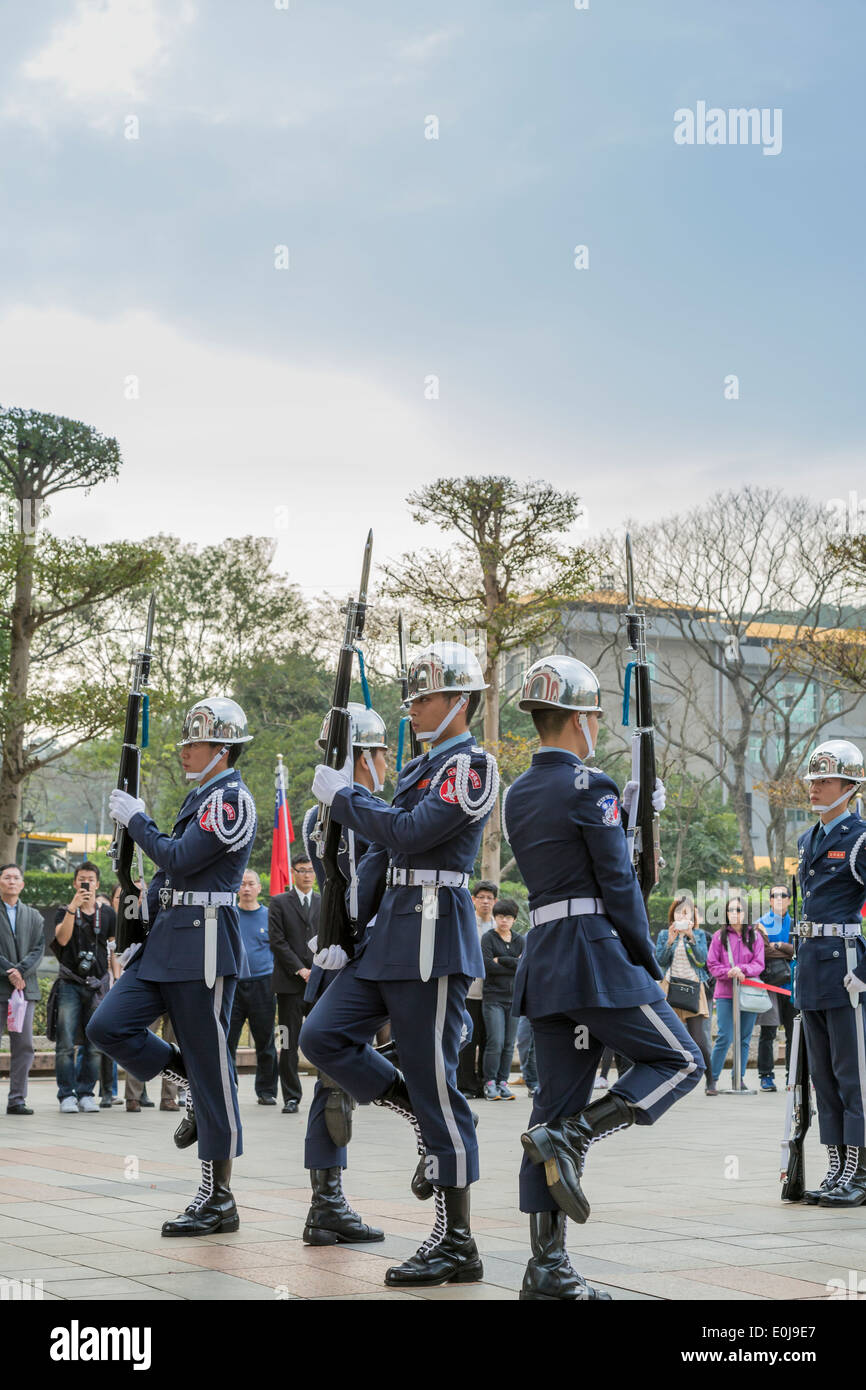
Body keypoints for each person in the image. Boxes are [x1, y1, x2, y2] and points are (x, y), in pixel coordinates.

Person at [503, 654, 703, 1301]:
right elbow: (618, 883)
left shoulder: (520, 791)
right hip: (595, 954)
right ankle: (579, 1133)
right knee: (681, 1059)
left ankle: (547, 1267)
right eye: (593, 717)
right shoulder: (592, 786)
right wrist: (645, 955)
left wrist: (633, 815)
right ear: (583, 719)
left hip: (546, 959)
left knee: (547, 1110)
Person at [301, 640, 499, 1287]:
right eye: (412, 699)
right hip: (388, 937)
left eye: (427, 698)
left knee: (440, 1087)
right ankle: (410, 1106)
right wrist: (341, 929)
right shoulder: (422, 767)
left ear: (460, 703)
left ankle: (455, 1239)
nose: (414, 708)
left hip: (433, 937)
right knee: (323, 1036)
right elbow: (379, 854)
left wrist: (346, 801)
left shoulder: (472, 766)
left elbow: (409, 834)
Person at [88, 696, 258, 1236]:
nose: (185, 750)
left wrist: (139, 821)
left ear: (223, 749)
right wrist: (141, 927)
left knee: (213, 1070)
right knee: (108, 1026)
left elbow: (181, 858)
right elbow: (166, 878)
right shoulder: (201, 796)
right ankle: (189, 1078)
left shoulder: (231, 799)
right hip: (168, 941)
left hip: (205, 944)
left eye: (195, 742)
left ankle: (218, 1196)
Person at [297, 702, 388, 1245]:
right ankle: (327, 1205)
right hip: (365, 955)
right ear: (362, 756)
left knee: (332, 1084)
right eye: (378, 754)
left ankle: (325, 1204)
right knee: (335, 1086)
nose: (385, 762)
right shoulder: (345, 812)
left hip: (339, 955)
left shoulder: (326, 811)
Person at [792, 740, 866, 1206]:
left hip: (847, 969)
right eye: (813, 781)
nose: (815, 788)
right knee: (822, 1073)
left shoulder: (860, 839)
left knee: (852, 1072)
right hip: (813, 967)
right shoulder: (809, 840)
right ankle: (836, 1163)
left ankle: (859, 1169)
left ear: (850, 787)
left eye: (824, 780)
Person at [109, 882, 179, 1113]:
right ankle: (133, 1097)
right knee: (139, 1039)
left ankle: (170, 1097)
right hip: (148, 983)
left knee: (174, 1043)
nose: (139, 895)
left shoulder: (167, 911)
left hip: (176, 981)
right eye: (134, 891)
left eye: (143, 892)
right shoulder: (130, 918)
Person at [52, 862, 114, 1113]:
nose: (85, 883)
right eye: (81, 879)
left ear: (98, 884)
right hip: (70, 983)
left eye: (90, 879)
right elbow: (62, 939)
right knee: (65, 1042)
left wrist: (114, 978)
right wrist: (73, 907)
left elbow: (114, 948)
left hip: (97, 984)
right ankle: (66, 1094)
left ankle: (87, 1092)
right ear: (75, 883)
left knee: (95, 1042)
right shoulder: (64, 910)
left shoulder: (108, 914)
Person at [268, 854, 319, 1114]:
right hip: (289, 986)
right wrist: (300, 969)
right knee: (288, 1042)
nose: (308, 875)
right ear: (293, 872)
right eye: (302, 870)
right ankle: (291, 1096)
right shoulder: (279, 902)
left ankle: (330, 1089)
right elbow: (277, 942)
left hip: (320, 984)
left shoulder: (324, 901)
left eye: (311, 870)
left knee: (325, 1037)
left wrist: (317, 970)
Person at [227, 869, 278, 1105]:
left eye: (251, 884)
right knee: (228, 1040)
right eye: (242, 884)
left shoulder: (269, 916)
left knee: (266, 1040)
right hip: (233, 984)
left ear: (259, 888)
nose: (246, 889)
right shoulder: (228, 914)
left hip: (263, 984)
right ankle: (228, 1087)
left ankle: (267, 1091)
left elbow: (277, 949)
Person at [655, 896, 714, 1093]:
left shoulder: (698, 934)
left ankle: (710, 1080)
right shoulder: (665, 934)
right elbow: (660, 961)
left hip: (693, 989)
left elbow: (702, 959)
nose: (682, 914)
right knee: (668, 1038)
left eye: (686, 912)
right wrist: (670, 941)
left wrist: (691, 937)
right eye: (679, 911)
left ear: (693, 916)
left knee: (699, 1039)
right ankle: (669, 1079)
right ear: (673, 914)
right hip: (669, 988)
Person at [706, 897, 765, 1092]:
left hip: (749, 993)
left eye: (738, 910)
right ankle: (712, 1080)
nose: (734, 914)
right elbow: (712, 965)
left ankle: (737, 1079)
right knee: (724, 1035)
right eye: (730, 910)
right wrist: (729, 972)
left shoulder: (754, 937)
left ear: (745, 913)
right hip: (725, 993)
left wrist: (741, 969)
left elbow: (759, 964)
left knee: (745, 1038)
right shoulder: (718, 936)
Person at [0, 864, 45, 1115]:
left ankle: (17, 1099)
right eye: (7, 877)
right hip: (2, 987)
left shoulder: (34, 916)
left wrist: (21, 971)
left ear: (23, 884)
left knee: (24, 1045)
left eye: (16, 877)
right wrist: (10, 971)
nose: (12, 881)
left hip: (25, 991)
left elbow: (39, 950)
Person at [480, 898, 524, 1100]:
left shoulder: (520, 940)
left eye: (507, 917)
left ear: (514, 919)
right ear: (495, 918)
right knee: (495, 1042)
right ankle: (490, 1083)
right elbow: (488, 966)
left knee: (508, 1044)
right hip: (493, 998)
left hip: (514, 999)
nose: (503, 920)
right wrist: (512, 964)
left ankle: (503, 1082)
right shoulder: (488, 938)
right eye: (500, 917)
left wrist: (503, 961)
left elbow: (523, 968)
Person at [456, 881, 496, 1099]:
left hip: (491, 993)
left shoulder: (498, 925)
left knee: (488, 1039)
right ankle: (466, 1085)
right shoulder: (467, 922)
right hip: (469, 991)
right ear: (473, 899)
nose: (485, 901)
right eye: (481, 897)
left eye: (490, 898)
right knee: (468, 1037)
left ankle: (483, 1082)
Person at [753, 885, 795, 1093]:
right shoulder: (760, 924)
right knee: (768, 1033)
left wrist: (777, 946)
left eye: (783, 895)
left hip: (792, 986)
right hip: (769, 985)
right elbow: (762, 953)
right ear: (769, 900)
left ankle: (792, 1076)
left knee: (793, 1033)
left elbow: (799, 950)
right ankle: (766, 1076)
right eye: (774, 896)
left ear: (789, 899)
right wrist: (786, 948)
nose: (779, 899)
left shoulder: (797, 924)